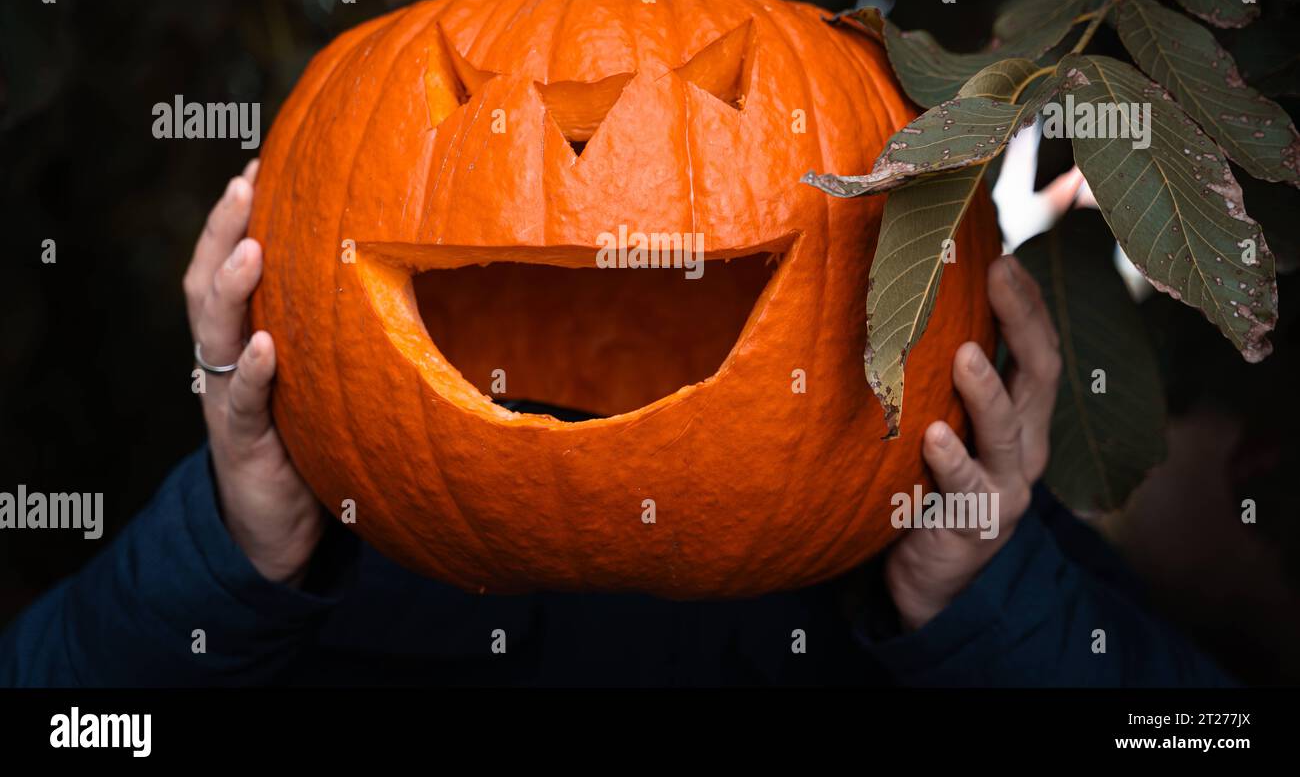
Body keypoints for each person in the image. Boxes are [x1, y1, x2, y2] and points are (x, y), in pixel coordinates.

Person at [0, 165, 1235, 687]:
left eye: (710, 88)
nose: (594, 168)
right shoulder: (310, 497)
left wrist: (973, 594)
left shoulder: (933, 492)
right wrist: (233, 552)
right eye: (489, 96)